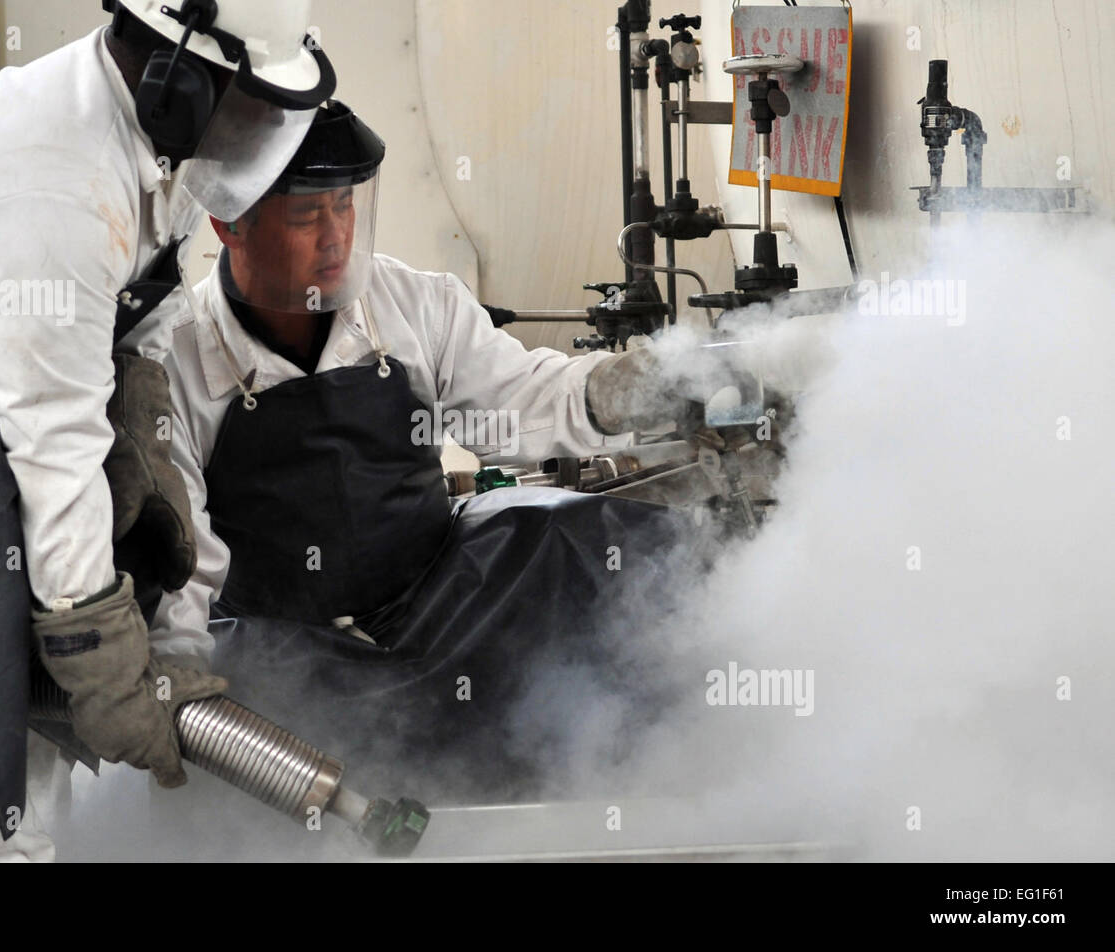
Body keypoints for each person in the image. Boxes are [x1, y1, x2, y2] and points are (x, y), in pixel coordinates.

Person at [0, 0, 335, 861]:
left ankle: (25, 841)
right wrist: (97, 651)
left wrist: (164, 595)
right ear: (174, 81)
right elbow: (54, 445)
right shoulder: (52, 184)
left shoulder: (159, 146)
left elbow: (141, 330)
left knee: (80, 553)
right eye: (244, 103)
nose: (255, 130)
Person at [149, 103, 706, 799]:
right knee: (237, 690)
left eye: (347, 206)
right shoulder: (173, 355)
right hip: (280, 640)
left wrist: (615, 391)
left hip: (430, 593)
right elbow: (183, 566)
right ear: (228, 223)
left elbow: (519, 402)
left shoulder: (415, 304)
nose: (337, 239)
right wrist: (178, 683)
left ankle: (659, 784)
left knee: (576, 533)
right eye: (306, 218)